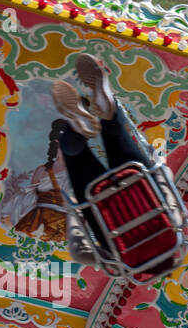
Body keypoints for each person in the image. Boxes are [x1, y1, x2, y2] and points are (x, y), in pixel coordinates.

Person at [49, 56, 181, 275]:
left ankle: (106, 104)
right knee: (76, 154)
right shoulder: (120, 262)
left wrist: (161, 170)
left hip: (137, 181)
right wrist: (74, 210)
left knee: (116, 135)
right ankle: (75, 126)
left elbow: (169, 191)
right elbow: (79, 252)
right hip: (99, 201)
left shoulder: (175, 231)